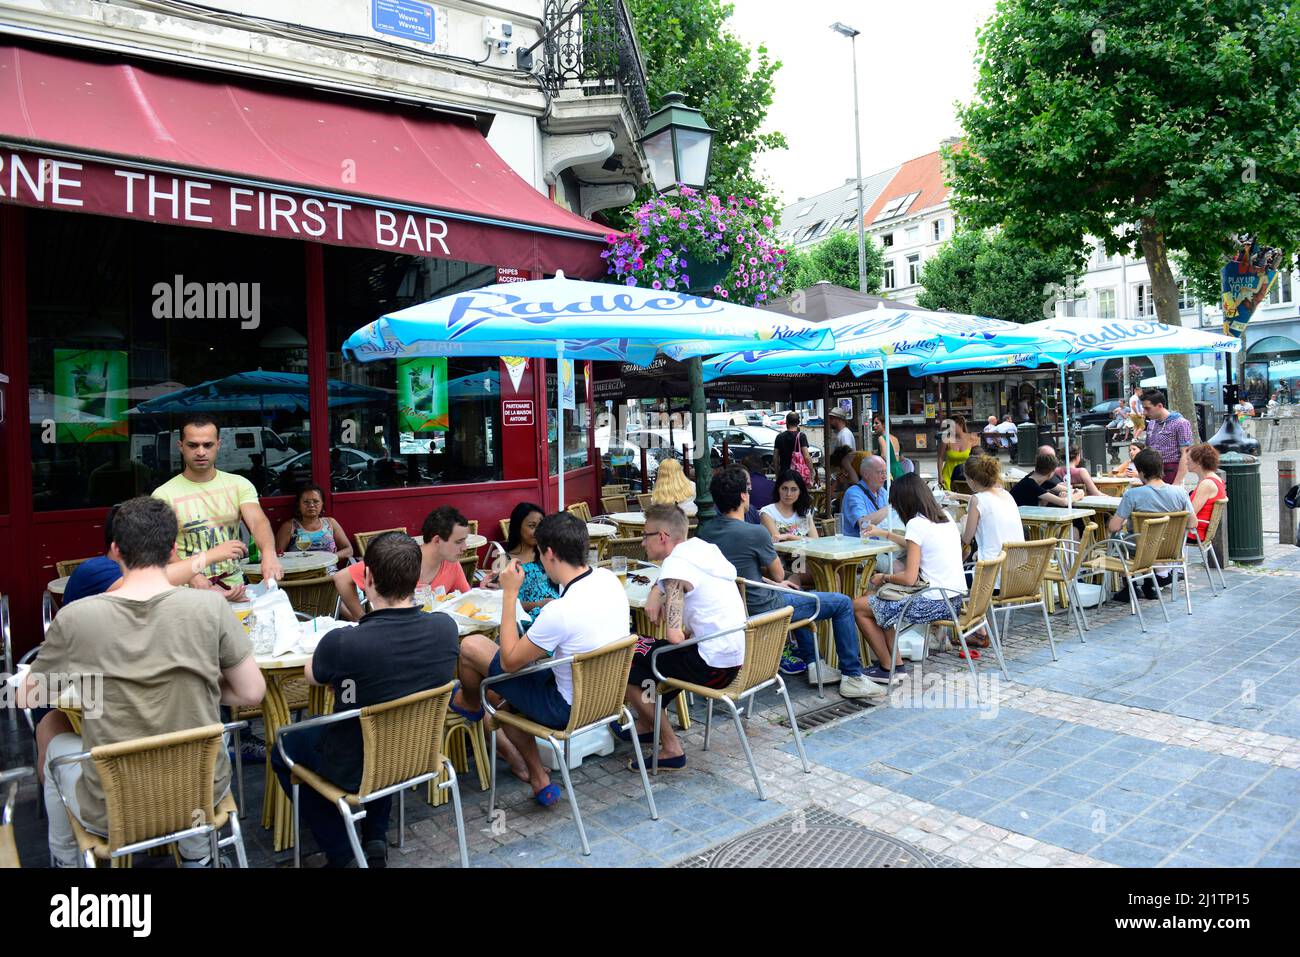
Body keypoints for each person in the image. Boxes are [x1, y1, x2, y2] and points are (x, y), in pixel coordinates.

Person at [22, 496, 266, 867]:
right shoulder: (211, 607)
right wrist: (201, 685)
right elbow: (252, 691)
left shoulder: (75, 618)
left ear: (115, 550)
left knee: (55, 746)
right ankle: (198, 856)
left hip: (111, 807)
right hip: (200, 794)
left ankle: (67, 862)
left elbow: (30, 696)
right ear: (172, 550)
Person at [274, 532, 458, 867]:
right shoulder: (446, 628)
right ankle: (374, 837)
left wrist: (346, 675)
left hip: (354, 765)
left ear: (367, 577)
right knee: (387, 724)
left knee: (283, 745)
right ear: (416, 579)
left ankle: (343, 853)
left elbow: (312, 675)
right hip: (418, 753)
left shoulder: (344, 642)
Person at [451, 513, 628, 805]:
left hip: (567, 709)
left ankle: (468, 703)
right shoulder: (608, 580)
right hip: (607, 698)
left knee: (471, 646)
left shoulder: (559, 611)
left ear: (548, 554)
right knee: (498, 693)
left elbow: (509, 662)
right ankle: (538, 778)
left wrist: (510, 594)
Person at [697, 465, 882, 699]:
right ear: (743, 496)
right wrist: (775, 581)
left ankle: (816, 666)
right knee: (842, 602)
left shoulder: (705, 532)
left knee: (798, 594)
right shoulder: (754, 533)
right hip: (763, 607)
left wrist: (771, 581)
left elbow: (737, 575)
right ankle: (853, 676)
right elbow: (778, 575)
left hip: (735, 606)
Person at [622, 504, 746, 770]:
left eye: (645, 535)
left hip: (710, 666)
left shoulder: (676, 566)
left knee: (627, 659)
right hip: (732, 660)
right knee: (652, 654)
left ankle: (671, 748)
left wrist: (663, 595)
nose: (642, 542)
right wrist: (658, 589)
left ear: (663, 536)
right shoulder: (702, 549)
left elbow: (675, 637)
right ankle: (647, 724)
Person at [152, 414, 283, 600]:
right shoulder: (163, 494)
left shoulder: (239, 484)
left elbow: (258, 521)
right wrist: (192, 576)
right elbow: (161, 547)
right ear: (180, 446)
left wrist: (269, 554)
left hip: (235, 587)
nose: (200, 452)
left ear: (218, 444)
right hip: (186, 592)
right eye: (192, 445)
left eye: (207, 445)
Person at [859, 474, 968, 683]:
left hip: (932, 602)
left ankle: (887, 667)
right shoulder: (944, 516)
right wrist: (885, 533)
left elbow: (909, 578)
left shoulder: (916, 524)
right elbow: (916, 543)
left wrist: (884, 576)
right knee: (876, 601)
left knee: (860, 606)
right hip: (952, 599)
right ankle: (896, 666)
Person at [333, 506, 470, 621]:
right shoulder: (400, 558)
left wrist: (485, 589)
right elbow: (341, 578)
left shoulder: (452, 563)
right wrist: (361, 618)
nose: (465, 547)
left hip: (429, 634)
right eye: (459, 542)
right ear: (436, 540)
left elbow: (468, 601)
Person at [1107, 447, 1197, 602]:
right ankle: (1150, 585)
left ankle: (1130, 588)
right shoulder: (1180, 493)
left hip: (1141, 546)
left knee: (1118, 539)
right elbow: (1193, 523)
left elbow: (1114, 527)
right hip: (1170, 548)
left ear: (1141, 472)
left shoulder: (1132, 494)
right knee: (1143, 540)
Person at [486, 502, 559, 629]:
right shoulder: (504, 559)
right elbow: (505, 601)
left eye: (541, 526)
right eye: (532, 526)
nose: (538, 531)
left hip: (558, 609)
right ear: (517, 527)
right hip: (529, 618)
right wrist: (539, 604)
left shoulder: (546, 553)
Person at [274, 484, 354, 562]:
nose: (311, 505)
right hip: (301, 573)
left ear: (322, 504)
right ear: (299, 505)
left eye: (316, 501)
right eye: (306, 502)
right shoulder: (289, 527)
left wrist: (329, 558)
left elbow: (348, 550)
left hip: (330, 573)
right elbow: (277, 555)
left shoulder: (330, 523)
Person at [1140, 389, 1194, 485]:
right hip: (1152, 473)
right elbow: (1147, 450)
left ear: (1160, 406)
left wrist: (1177, 483)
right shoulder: (1151, 423)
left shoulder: (1181, 423)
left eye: (1148, 408)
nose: (1144, 412)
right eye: (1143, 409)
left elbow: (1185, 454)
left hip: (1171, 471)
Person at [1186, 443, 1228, 544]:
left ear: (1198, 462)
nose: (1186, 463)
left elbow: (1190, 513)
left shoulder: (1207, 484)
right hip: (1197, 530)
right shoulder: (1214, 479)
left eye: (1188, 460)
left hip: (1193, 533)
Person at [1010, 451, 1082, 508]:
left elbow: (1068, 490)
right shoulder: (1030, 484)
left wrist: (1069, 494)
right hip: (1019, 520)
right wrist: (1079, 494)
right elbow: (1063, 502)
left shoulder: (1036, 478)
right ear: (1051, 473)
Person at [841, 453, 891, 535]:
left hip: (879, 542)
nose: (884, 477)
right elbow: (863, 524)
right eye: (880, 472)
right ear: (866, 474)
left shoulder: (883, 492)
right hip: (857, 545)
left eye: (885, 472)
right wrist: (891, 507)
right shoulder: (853, 493)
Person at [937, 414, 981, 490]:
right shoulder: (947, 439)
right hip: (948, 475)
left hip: (966, 476)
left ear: (960, 424)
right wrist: (940, 476)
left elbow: (978, 458)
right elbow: (940, 458)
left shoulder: (972, 438)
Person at [773, 411, 812, 476]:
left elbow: (775, 457)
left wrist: (777, 473)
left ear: (786, 422)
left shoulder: (779, 436)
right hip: (798, 473)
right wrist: (811, 471)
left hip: (784, 472)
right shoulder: (801, 436)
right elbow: (807, 457)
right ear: (798, 422)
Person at [872, 412, 905, 479]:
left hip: (890, 472)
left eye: (876, 423)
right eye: (873, 423)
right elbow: (901, 457)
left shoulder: (881, 438)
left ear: (884, 424)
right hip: (899, 470)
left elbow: (884, 456)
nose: (873, 425)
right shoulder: (895, 438)